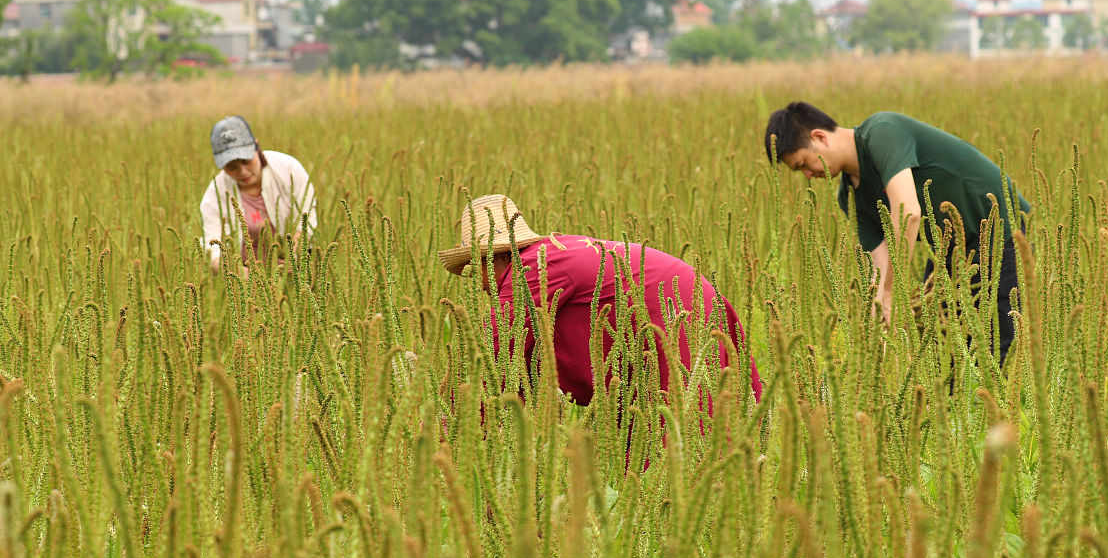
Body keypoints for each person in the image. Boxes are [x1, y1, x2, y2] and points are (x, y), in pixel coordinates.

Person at [763, 103, 1031, 365]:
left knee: (999, 349)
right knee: (940, 349)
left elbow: (908, 214)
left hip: (1002, 227)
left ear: (819, 137)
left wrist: (893, 295)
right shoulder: (850, 197)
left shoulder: (881, 132)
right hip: (949, 247)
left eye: (803, 164)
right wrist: (877, 322)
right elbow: (879, 269)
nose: (808, 175)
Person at [438, 195, 763, 409]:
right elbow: (517, 359)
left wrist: (440, 428)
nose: (477, 284)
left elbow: (483, 355)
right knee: (646, 447)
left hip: (680, 319)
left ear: (493, 258)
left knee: (682, 449)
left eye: (473, 269)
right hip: (680, 312)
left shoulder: (533, 266)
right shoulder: (550, 253)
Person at [200, 116, 317, 273]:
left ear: (256, 146)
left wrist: (290, 258)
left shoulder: (289, 169)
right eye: (231, 167)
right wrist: (245, 275)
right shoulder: (215, 194)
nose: (242, 172)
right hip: (244, 274)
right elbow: (211, 250)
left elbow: (307, 221)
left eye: (246, 161)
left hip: (295, 265)